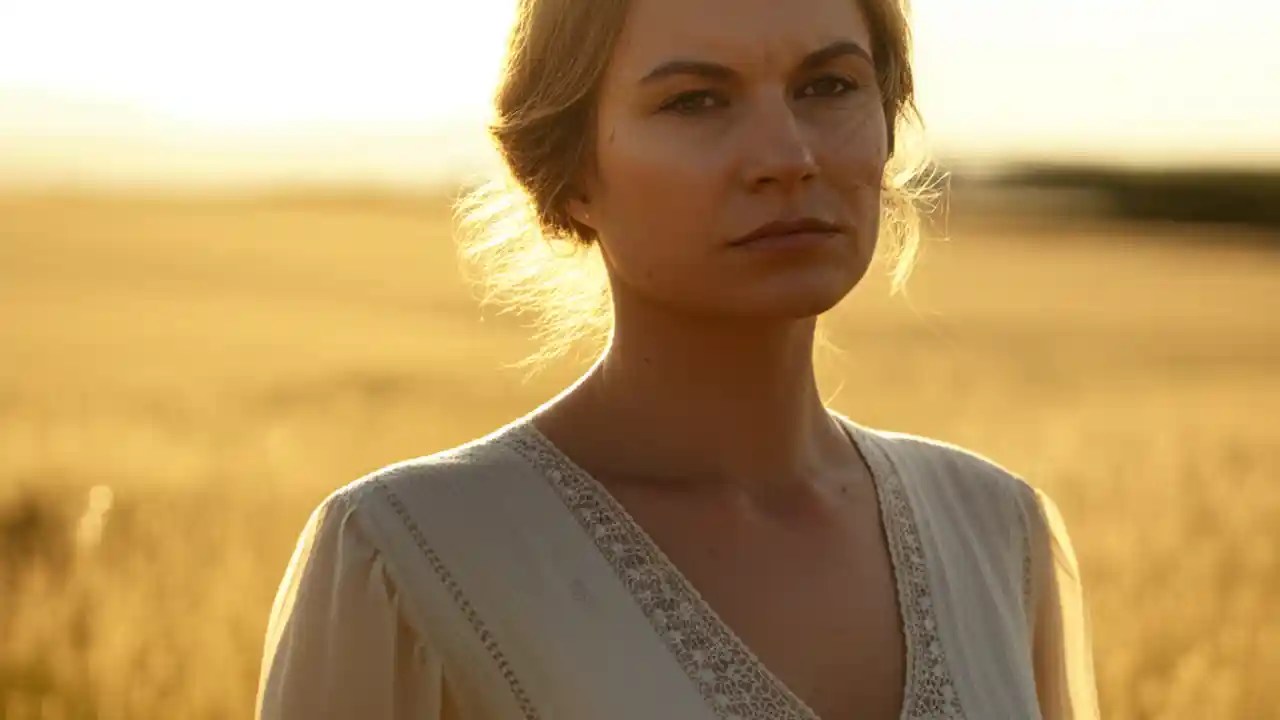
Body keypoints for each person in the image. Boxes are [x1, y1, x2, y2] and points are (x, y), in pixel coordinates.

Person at [255, 0, 1102, 716]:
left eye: (828, 85)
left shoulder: (997, 532)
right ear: (569, 171)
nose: (788, 158)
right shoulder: (410, 560)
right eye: (696, 101)